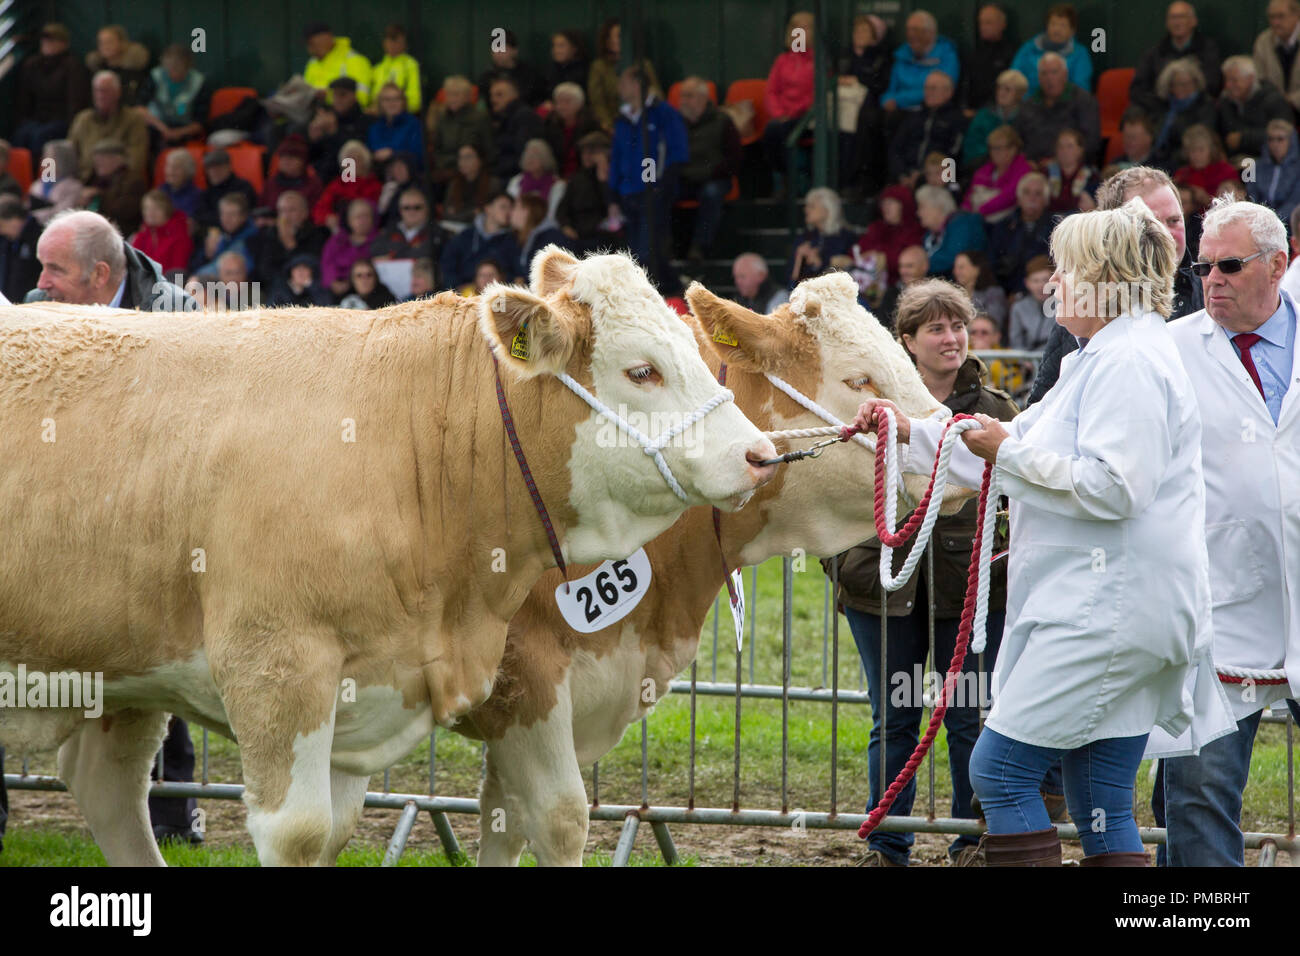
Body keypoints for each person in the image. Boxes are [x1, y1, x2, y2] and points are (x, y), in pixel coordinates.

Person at [857, 197, 1230, 866]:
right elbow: (1007, 441)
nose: (1053, 283)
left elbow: (1116, 487)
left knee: (999, 772)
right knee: (1101, 795)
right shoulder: (1101, 356)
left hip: (1107, 612)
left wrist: (1007, 454)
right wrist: (909, 431)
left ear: (1104, 277)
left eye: (1064, 269)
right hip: (1114, 608)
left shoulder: (1130, 363)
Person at [828, 278, 1017, 867]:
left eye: (958, 325)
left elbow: (1017, 499)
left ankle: (971, 840)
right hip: (881, 588)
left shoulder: (996, 413)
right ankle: (887, 846)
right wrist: (846, 562)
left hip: (969, 592)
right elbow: (833, 493)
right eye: (935, 327)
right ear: (906, 340)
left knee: (968, 716)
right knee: (894, 718)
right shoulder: (869, 411)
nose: (951, 338)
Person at [1157, 197, 1300, 866]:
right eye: (1203, 266)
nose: (1211, 279)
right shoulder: (1172, 348)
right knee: (1199, 794)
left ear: (1279, 265)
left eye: (1230, 265)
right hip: (1221, 611)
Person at [1028, 165, 1204, 403]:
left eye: (1174, 221)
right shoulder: (1083, 310)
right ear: (1112, 231)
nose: (1165, 234)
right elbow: (1042, 407)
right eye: (1149, 224)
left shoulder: (1212, 291)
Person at [27, 208, 195, 311]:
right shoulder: (37, 305)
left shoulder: (174, 314)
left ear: (99, 274)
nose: (41, 284)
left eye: (56, 270)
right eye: (43, 266)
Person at [609, 67, 686, 288]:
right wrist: (613, 197)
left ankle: (665, 293)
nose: (619, 88)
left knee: (646, 252)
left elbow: (676, 152)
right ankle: (677, 288)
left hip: (653, 193)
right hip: (627, 194)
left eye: (623, 82)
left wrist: (660, 188)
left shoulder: (663, 113)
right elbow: (616, 158)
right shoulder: (622, 119)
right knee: (635, 253)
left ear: (636, 84)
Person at [677, 77, 741, 262]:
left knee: (711, 193)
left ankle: (700, 247)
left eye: (689, 96)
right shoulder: (675, 123)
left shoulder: (723, 120)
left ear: (703, 98)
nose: (683, 101)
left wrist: (709, 173)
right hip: (684, 179)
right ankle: (663, 248)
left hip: (714, 178)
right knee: (660, 191)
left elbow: (734, 159)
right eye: (682, 96)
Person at [1130, 2, 1223, 115]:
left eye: (1181, 17)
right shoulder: (1155, 53)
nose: (1177, 22)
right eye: (1173, 18)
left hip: (1197, 113)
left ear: (1193, 21)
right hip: (1161, 112)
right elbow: (1137, 90)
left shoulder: (1208, 50)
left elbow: (1213, 84)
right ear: (1167, 23)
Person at [13, 23, 89, 156]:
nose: (47, 43)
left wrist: (72, 128)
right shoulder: (32, 64)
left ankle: (41, 173)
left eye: (52, 40)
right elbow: (25, 99)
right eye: (44, 40)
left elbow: (75, 102)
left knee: (41, 137)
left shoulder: (72, 66)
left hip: (60, 120)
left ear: (64, 43)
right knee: (21, 134)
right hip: (37, 120)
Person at [762, 11, 816, 190]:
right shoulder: (782, 61)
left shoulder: (818, 61)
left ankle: (789, 181)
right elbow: (771, 91)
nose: (800, 31)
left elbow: (815, 94)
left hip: (806, 118)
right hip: (783, 118)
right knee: (773, 130)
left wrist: (794, 112)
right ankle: (784, 177)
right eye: (796, 27)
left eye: (805, 27)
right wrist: (779, 114)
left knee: (777, 130)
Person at [1015, 53, 1100, 163]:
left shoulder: (1084, 101)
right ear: (1038, 77)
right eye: (1044, 73)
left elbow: (1091, 142)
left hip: (1071, 167)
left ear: (1065, 74)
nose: (1049, 78)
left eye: (1054, 72)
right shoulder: (1028, 105)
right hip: (1033, 166)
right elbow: (1017, 140)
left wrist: (1060, 161)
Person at [68, 71, 150, 183]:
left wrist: (108, 166)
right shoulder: (82, 119)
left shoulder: (134, 120)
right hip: (83, 181)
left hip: (119, 183)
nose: (100, 95)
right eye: (97, 90)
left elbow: (137, 161)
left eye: (105, 91)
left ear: (118, 92)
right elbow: (69, 153)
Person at [887, 71, 966, 185]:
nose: (928, 92)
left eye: (933, 88)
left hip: (937, 180)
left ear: (948, 92)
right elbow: (896, 149)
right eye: (926, 88)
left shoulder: (957, 119)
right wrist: (902, 174)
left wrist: (925, 176)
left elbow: (954, 154)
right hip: (905, 177)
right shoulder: (913, 116)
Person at [587, 18, 661, 131]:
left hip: (644, 125)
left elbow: (656, 94)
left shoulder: (643, 64)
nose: (614, 40)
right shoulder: (599, 67)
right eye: (610, 37)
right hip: (613, 126)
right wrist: (610, 127)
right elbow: (598, 103)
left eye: (619, 36)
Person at [880, 11, 960, 113]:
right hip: (899, 112)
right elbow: (890, 90)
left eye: (917, 30)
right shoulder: (902, 55)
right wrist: (887, 101)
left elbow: (940, 91)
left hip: (931, 111)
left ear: (931, 33)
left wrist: (899, 100)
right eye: (909, 30)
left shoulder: (947, 56)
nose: (912, 35)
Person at [1216, 56, 1293, 159]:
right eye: (1226, 80)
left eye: (1234, 80)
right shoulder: (1224, 101)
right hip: (1234, 162)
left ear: (1250, 78)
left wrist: (1243, 139)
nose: (1228, 85)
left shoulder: (1273, 100)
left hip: (1266, 161)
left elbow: (1285, 135)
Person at [439, 190, 520, 289]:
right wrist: (456, 288)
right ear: (488, 208)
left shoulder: (513, 240)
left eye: (511, 208)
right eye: (503, 207)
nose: (508, 212)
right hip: (464, 296)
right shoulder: (466, 236)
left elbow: (516, 273)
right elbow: (448, 265)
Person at [427, 75, 495, 190]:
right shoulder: (442, 119)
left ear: (467, 97)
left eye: (456, 95)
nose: (452, 98)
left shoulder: (480, 118)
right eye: (449, 94)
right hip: (446, 170)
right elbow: (437, 148)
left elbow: (489, 149)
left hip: (472, 172)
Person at [988, 171, 1052, 293]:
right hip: (1005, 292)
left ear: (1046, 200)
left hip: (1043, 293)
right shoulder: (1002, 227)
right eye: (1026, 192)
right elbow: (993, 264)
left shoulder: (1056, 228)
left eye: (1038, 194)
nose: (1032, 198)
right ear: (1019, 197)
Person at [1149, 58, 1218, 169]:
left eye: (1187, 84)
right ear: (1170, 86)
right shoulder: (1162, 106)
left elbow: (1201, 137)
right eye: (1177, 84)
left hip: (1185, 160)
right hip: (1157, 157)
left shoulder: (1205, 106)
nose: (1182, 88)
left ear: (1196, 84)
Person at [139, 44, 211, 148]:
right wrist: (163, 129)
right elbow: (139, 109)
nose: (170, 71)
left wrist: (176, 133)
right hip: (156, 126)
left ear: (187, 66)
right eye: (167, 66)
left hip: (184, 129)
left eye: (176, 67)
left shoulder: (199, 83)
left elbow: (200, 123)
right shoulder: (155, 76)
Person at [248, 189, 326, 285]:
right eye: (282, 211)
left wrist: (290, 244)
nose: (286, 216)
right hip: (275, 289)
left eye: (292, 210)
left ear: (305, 213)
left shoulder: (317, 235)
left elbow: (311, 269)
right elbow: (264, 272)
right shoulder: (269, 234)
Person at [556, 131, 617, 253]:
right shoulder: (577, 179)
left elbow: (611, 207)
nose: (587, 156)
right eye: (584, 152)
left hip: (601, 234)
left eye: (592, 152)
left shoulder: (612, 176)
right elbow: (562, 210)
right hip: (576, 233)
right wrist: (566, 226)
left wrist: (602, 177)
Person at [857, 184, 925, 285]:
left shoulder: (914, 230)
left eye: (891, 203)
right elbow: (857, 253)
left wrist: (880, 257)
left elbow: (905, 262)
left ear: (903, 205)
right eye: (883, 203)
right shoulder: (877, 227)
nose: (885, 207)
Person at [963, 125, 1031, 224]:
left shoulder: (1023, 170)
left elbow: (1009, 197)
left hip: (1007, 222)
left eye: (998, 148)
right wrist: (966, 211)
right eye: (991, 148)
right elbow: (969, 197)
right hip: (979, 220)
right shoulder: (984, 170)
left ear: (1013, 149)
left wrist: (979, 211)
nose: (994, 152)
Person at [788, 187, 856, 285]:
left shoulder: (845, 238)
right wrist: (799, 258)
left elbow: (846, 272)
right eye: (807, 206)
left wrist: (819, 264)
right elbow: (791, 281)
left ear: (828, 209)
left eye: (812, 206)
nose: (806, 209)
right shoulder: (805, 237)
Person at [963, 69, 1028, 171]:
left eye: (1007, 89)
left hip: (1016, 171)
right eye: (999, 88)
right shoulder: (983, 116)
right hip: (982, 167)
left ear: (1019, 94)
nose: (1001, 93)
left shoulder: (1027, 119)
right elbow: (972, 148)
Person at [80, 139, 147, 236]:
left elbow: (124, 212)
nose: (97, 163)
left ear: (118, 159)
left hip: (120, 233)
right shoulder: (95, 178)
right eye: (96, 159)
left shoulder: (133, 181)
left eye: (102, 158)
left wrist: (99, 195)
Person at [917, 185, 986, 277]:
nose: (918, 213)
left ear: (938, 208)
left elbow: (952, 258)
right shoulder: (930, 235)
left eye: (922, 207)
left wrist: (918, 265)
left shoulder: (962, 224)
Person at [961, 4, 1018, 114]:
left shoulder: (1011, 54)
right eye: (981, 23)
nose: (983, 27)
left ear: (1002, 25)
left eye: (988, 23)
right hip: (972, 112)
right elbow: (965, 86)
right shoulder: (974, 54)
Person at [312, 141, 382, 230]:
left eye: (357, 159)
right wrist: (327, 218)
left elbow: (373, 213)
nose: (353, 164)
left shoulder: (374, 185)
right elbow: (320, 208)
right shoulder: (337, 184)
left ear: (365, 162)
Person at [489, 74, 546, 181]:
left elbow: (523, 155)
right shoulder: (503, 118)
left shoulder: (525, 117)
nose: (493, 99)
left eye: (499, 95)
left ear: (514, 95)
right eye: (492, 95)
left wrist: (496, 171)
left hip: (517, 178)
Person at [302, 22, 372, 108]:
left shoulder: (355, 61)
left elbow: (361, 99)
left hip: (344, 117)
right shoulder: (312, 63)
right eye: (308, 45)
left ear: (327, 38)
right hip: (314, 114)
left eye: (314, 44)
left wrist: (328, 97)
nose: (311, 50)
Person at [1174, 124, 1237, 217]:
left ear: (1211, 150)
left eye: (1201, 150)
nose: (1196, 155)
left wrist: (1207, 199)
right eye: (1192, 151)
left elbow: (1233, 206)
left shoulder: (1227, 172)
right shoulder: (1182, 174)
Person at [320, 198, 377, 297]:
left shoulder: (381, 240)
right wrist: (333, 282)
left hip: (370, 290)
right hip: (337, 291)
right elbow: (327, 263)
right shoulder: (337, 241)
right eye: (359, 217)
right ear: (349, 220)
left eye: (367, 216)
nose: (363, 221)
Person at [191, 191, 256, 278]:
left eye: (232, 214)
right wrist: (206, 255)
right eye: (223, 214)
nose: (226, 219)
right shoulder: (221, 235)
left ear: (243, 216)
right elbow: (194, 266)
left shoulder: (251, 239)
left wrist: (196, 280)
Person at [1248, 120, 1300, 227]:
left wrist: (1273, 221)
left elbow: (1294, 202)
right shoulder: (1257, 166)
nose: (1275, 144)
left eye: (1280, 139)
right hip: (1258, 223)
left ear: (1291, 141)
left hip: (1289, 226)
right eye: (1271, 139)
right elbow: (1251, 196)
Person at [129, 189, 192, 277]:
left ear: (167, 211)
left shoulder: (178, 236)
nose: (150, 213)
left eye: (156, 209)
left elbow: (177, 272)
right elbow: (133, 263)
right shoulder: (143, 234)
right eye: (147, 208)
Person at [543, 82, 600, 179]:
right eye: (558, 102)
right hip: (555, 176)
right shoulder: (550, 124)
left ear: (579, 103)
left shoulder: (590, 125)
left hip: (584, 176)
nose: (561, 106)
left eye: (567, 102)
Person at [194, 148, 257, 233]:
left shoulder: (243, 187)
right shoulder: (208, 192)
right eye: (210, 169)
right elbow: (200, 216)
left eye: (218, 168)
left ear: (229, 167)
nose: (213, 172)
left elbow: (240, 217)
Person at [85, 24, 150, 106]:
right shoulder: (96, 71)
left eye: (109, 41)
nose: (105, 46)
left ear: (122, 43)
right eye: (101, 42)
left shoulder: (134, 71)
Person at [478, 29, 546, 108]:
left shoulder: (530, 73)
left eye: (502, 49)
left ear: (514, 50)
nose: (498, 54)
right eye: (494, 49)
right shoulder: (487, 77)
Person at [1253, 0, 1300, 113]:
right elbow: (1260, 79)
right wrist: (1277, 101)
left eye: (1281, 16)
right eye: (1271, 17)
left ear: (1297, 15)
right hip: (1274, 109)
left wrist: (1291, 100)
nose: (1275, 22)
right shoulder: (1263, 41)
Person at [370, 186, 438, 262]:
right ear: (400, 210)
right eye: (406, 207)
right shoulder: (388, 232)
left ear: (427, 208)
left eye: (417, 207)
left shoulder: (436, 233)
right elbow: (375, 252)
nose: (411, 211)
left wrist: (392, 257)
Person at [367, 82, 424, 172]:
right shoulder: (375, 128)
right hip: (379, 175)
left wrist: (392, 153)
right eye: (387, 99)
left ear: (403, 102)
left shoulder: (413, 124)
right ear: (380, 103)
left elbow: (418, 156)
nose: (392, 103)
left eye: (396, 99)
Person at [441, 143, 500, 227]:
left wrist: (459, 214)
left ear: (480, 160)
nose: (463, 161)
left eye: (468, 157)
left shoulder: (492, 183)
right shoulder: (454, 184)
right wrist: (471, 213)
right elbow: (446, 214)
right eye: (460, 157)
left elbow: (485, 214)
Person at [510, 192, 568, 277]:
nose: (510, 212)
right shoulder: (518, 238)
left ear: (527, 211)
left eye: (514, 207)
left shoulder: (552, 238)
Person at [28, 139, 83, 225]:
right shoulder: (37, 184)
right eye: (45, 156)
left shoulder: (73, 187)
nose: (44, 160)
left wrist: (32, 216)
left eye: (50, 157)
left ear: (63, 160)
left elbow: (62, 214)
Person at [1045, 128, 1100, 215]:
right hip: (1049, 222)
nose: (1064, 151)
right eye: (1060, 146)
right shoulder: (1046, 173)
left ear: (1079, 150)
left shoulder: (1091, 176)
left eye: (1070, 146)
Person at [260, 134, 323, 210]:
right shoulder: (271, 183)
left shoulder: (314, 184)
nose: (286, 161)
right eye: (282, 157)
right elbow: (261, 208)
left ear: (303, 161)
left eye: (292, 157)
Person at [370, 24, 422, 115]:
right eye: (390, 41)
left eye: (397, 41)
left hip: (401, 115)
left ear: (404, 43)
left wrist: (392, 107)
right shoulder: (378, 68)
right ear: (384, 43)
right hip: (378, 117)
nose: (393, 45)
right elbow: (373, 98)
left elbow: (415, 102)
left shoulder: (410, 65)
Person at [1008, 255, 1056, 350]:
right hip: (1027, 362)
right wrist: (1025, 362)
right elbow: (1016, 342)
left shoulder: (1064, 305)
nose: (1041, 286)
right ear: (1027, 283)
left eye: (1045, 280)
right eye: (1035, 281)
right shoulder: (1019, 308)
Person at [506, 139, 564, 218]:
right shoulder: (516, 181)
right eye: (527, 155)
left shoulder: (558, 185)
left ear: (545, 159)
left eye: (535, 156)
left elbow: (555, 214)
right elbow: (511, 209)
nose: (530, 159)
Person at [0, 196, 43, 303]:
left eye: (1, 225)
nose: (1, 232)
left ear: (15, 220)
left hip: (29, 302)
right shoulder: (9, 241)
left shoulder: (37, 239)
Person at [953, 249, 1008, 332]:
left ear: (977, 269)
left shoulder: (994, 293)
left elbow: (994, 322)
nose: (956, 271)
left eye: (961, 267)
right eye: (955, 267)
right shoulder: (953, 295)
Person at [877, 244, 929, 326]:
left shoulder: (936, 294)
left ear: (924, 266)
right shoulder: (892, 294)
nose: (903, 271)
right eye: (901, 266)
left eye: (909, 266)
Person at [268, 251, 333, 307]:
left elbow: (325, 307)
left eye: (305, 268)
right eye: (297, 268)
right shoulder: (280, 290)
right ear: (291, 272)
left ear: (311, 272)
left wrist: (311, 286)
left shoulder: (318, 289)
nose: (301, 272)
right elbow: (270, 309)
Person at [543, 30, 590, 102]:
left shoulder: (586, 70)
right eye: (554, 46)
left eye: (561, 46)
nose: (556, 50)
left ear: (574, 48)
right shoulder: (550, 69)